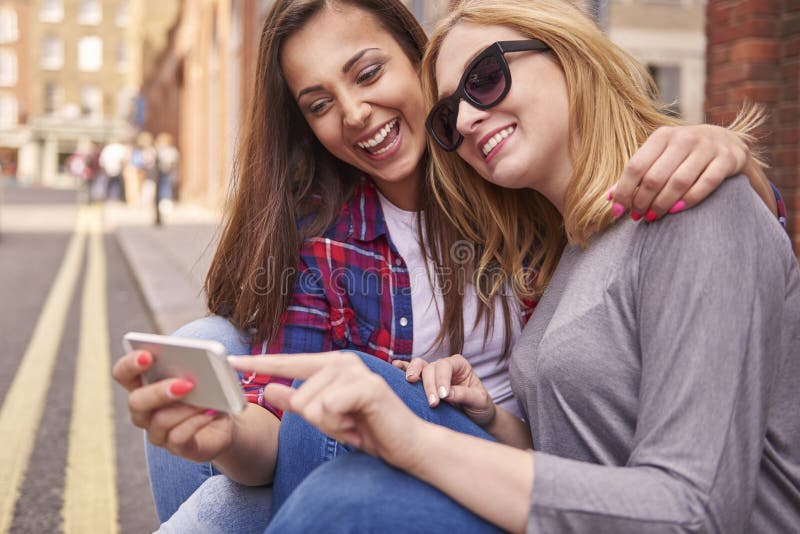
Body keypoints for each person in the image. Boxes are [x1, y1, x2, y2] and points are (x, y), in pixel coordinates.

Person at [111, 0, 785, 529]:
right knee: (228, 363)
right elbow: (290, 430)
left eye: (487, 79)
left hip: (485, 467)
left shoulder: (538, 197)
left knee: (346, 461)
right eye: (318, 104)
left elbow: (722, 252)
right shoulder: (345, 228)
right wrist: (227, 436)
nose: (353, 114)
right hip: (435, 451)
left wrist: (724, 153)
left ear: (416, 60)